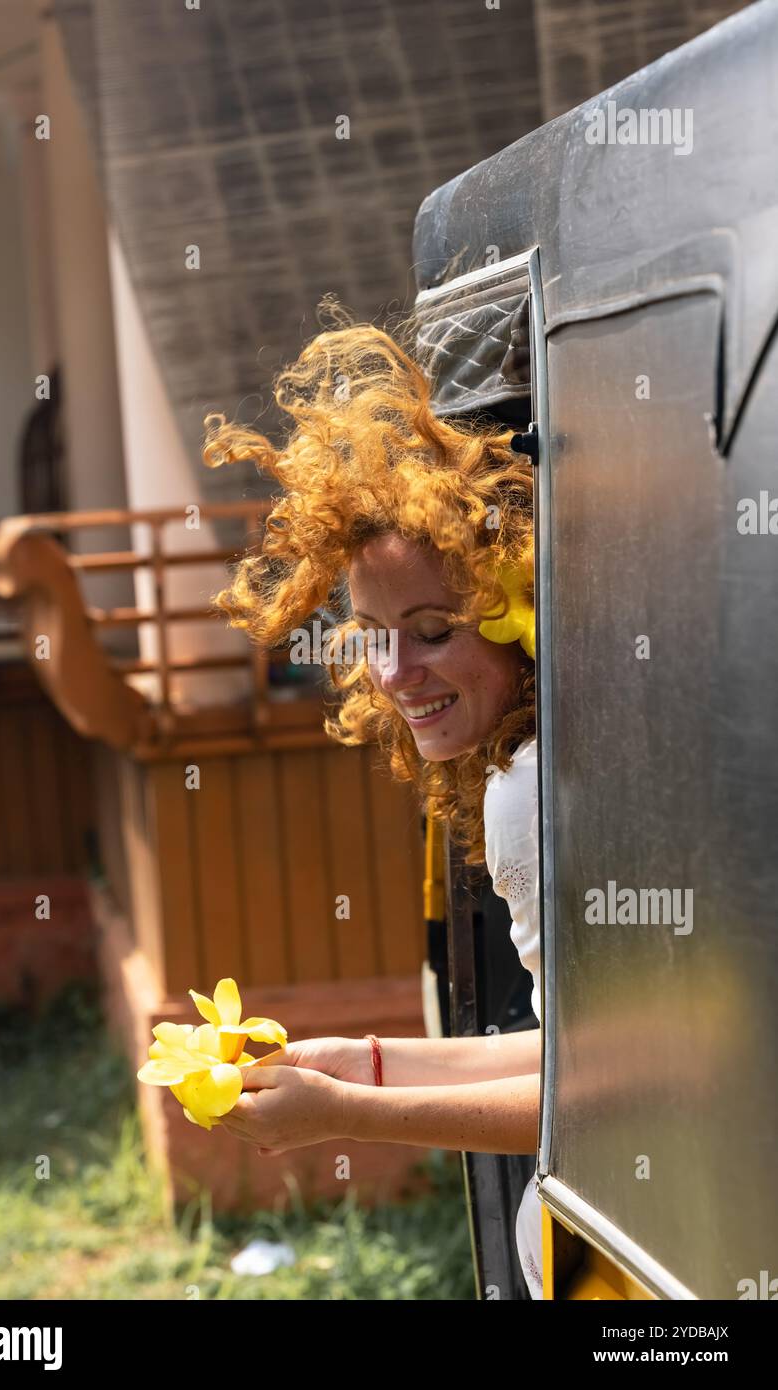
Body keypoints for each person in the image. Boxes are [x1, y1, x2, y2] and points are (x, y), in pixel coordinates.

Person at [202, 309, 543, 1297]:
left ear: (519, 612)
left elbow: (609, 1098)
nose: (393, 673)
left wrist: (345, 1113)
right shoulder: (544, 765)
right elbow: (584, 1059)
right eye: (373, 633)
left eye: (433, 630)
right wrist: (363, 1063)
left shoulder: (530, 793)